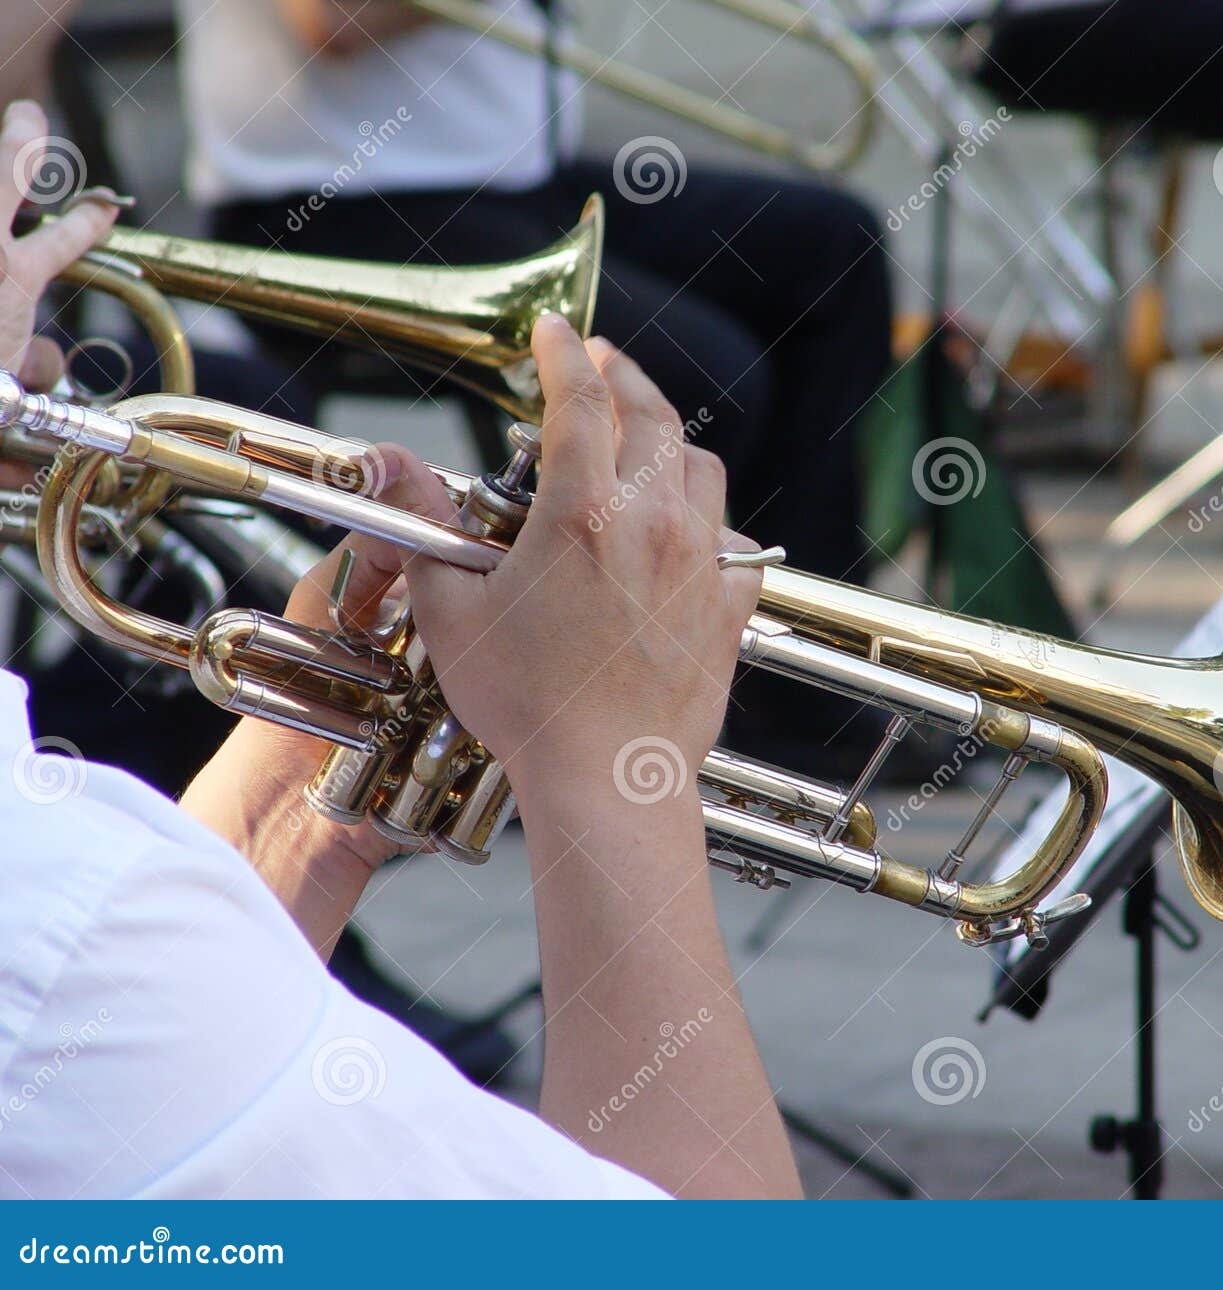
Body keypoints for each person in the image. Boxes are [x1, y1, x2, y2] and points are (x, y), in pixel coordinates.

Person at [0, 98, 801, 1199]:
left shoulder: (72, 912)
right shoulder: (56, 921)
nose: (43, 350)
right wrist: (614, 767)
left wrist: (296, 806)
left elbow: (125, 1061)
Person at [174, 0, 895, 777]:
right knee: (700, 381)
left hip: (509, 179)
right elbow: (335, 20)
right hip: (330, 204)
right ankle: (557, 728)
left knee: (830, 248)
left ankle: (802, 703)